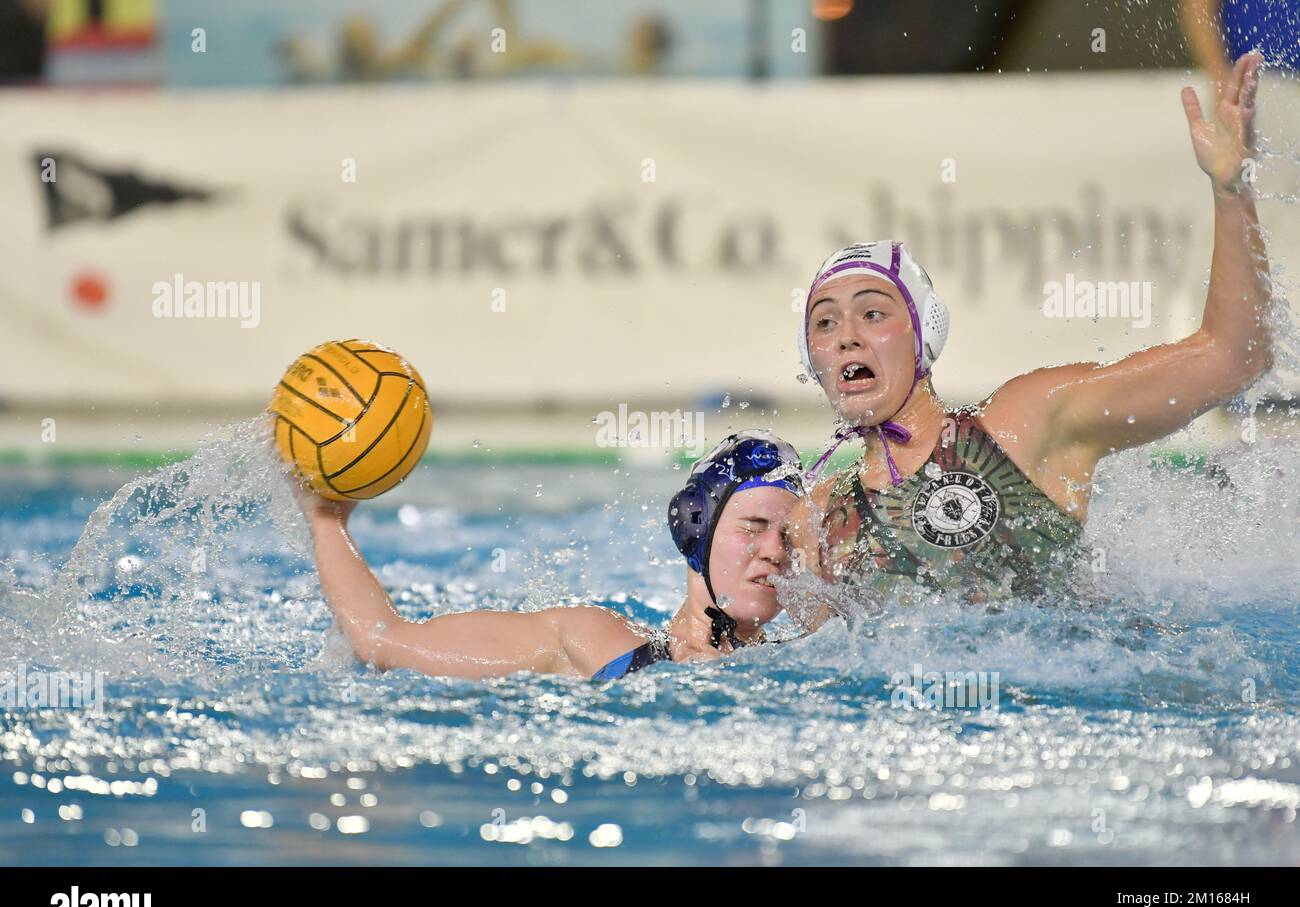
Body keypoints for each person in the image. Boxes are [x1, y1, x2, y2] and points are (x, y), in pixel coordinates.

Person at [785, 51, 1275, 611]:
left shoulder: (1027, 422)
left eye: (873, 313)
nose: (846, 335)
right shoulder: (817, 521)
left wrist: (1232, 191)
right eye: (823, 322)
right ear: (811, 358)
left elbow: (1235, 357)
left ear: (924, 336)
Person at [297, 431, 803, 680]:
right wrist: (325, 518)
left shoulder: (807, 659)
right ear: (696, 531)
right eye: (753, 528)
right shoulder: (592, 640)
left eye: (790, 535)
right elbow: (384, 641)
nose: (776, 552)